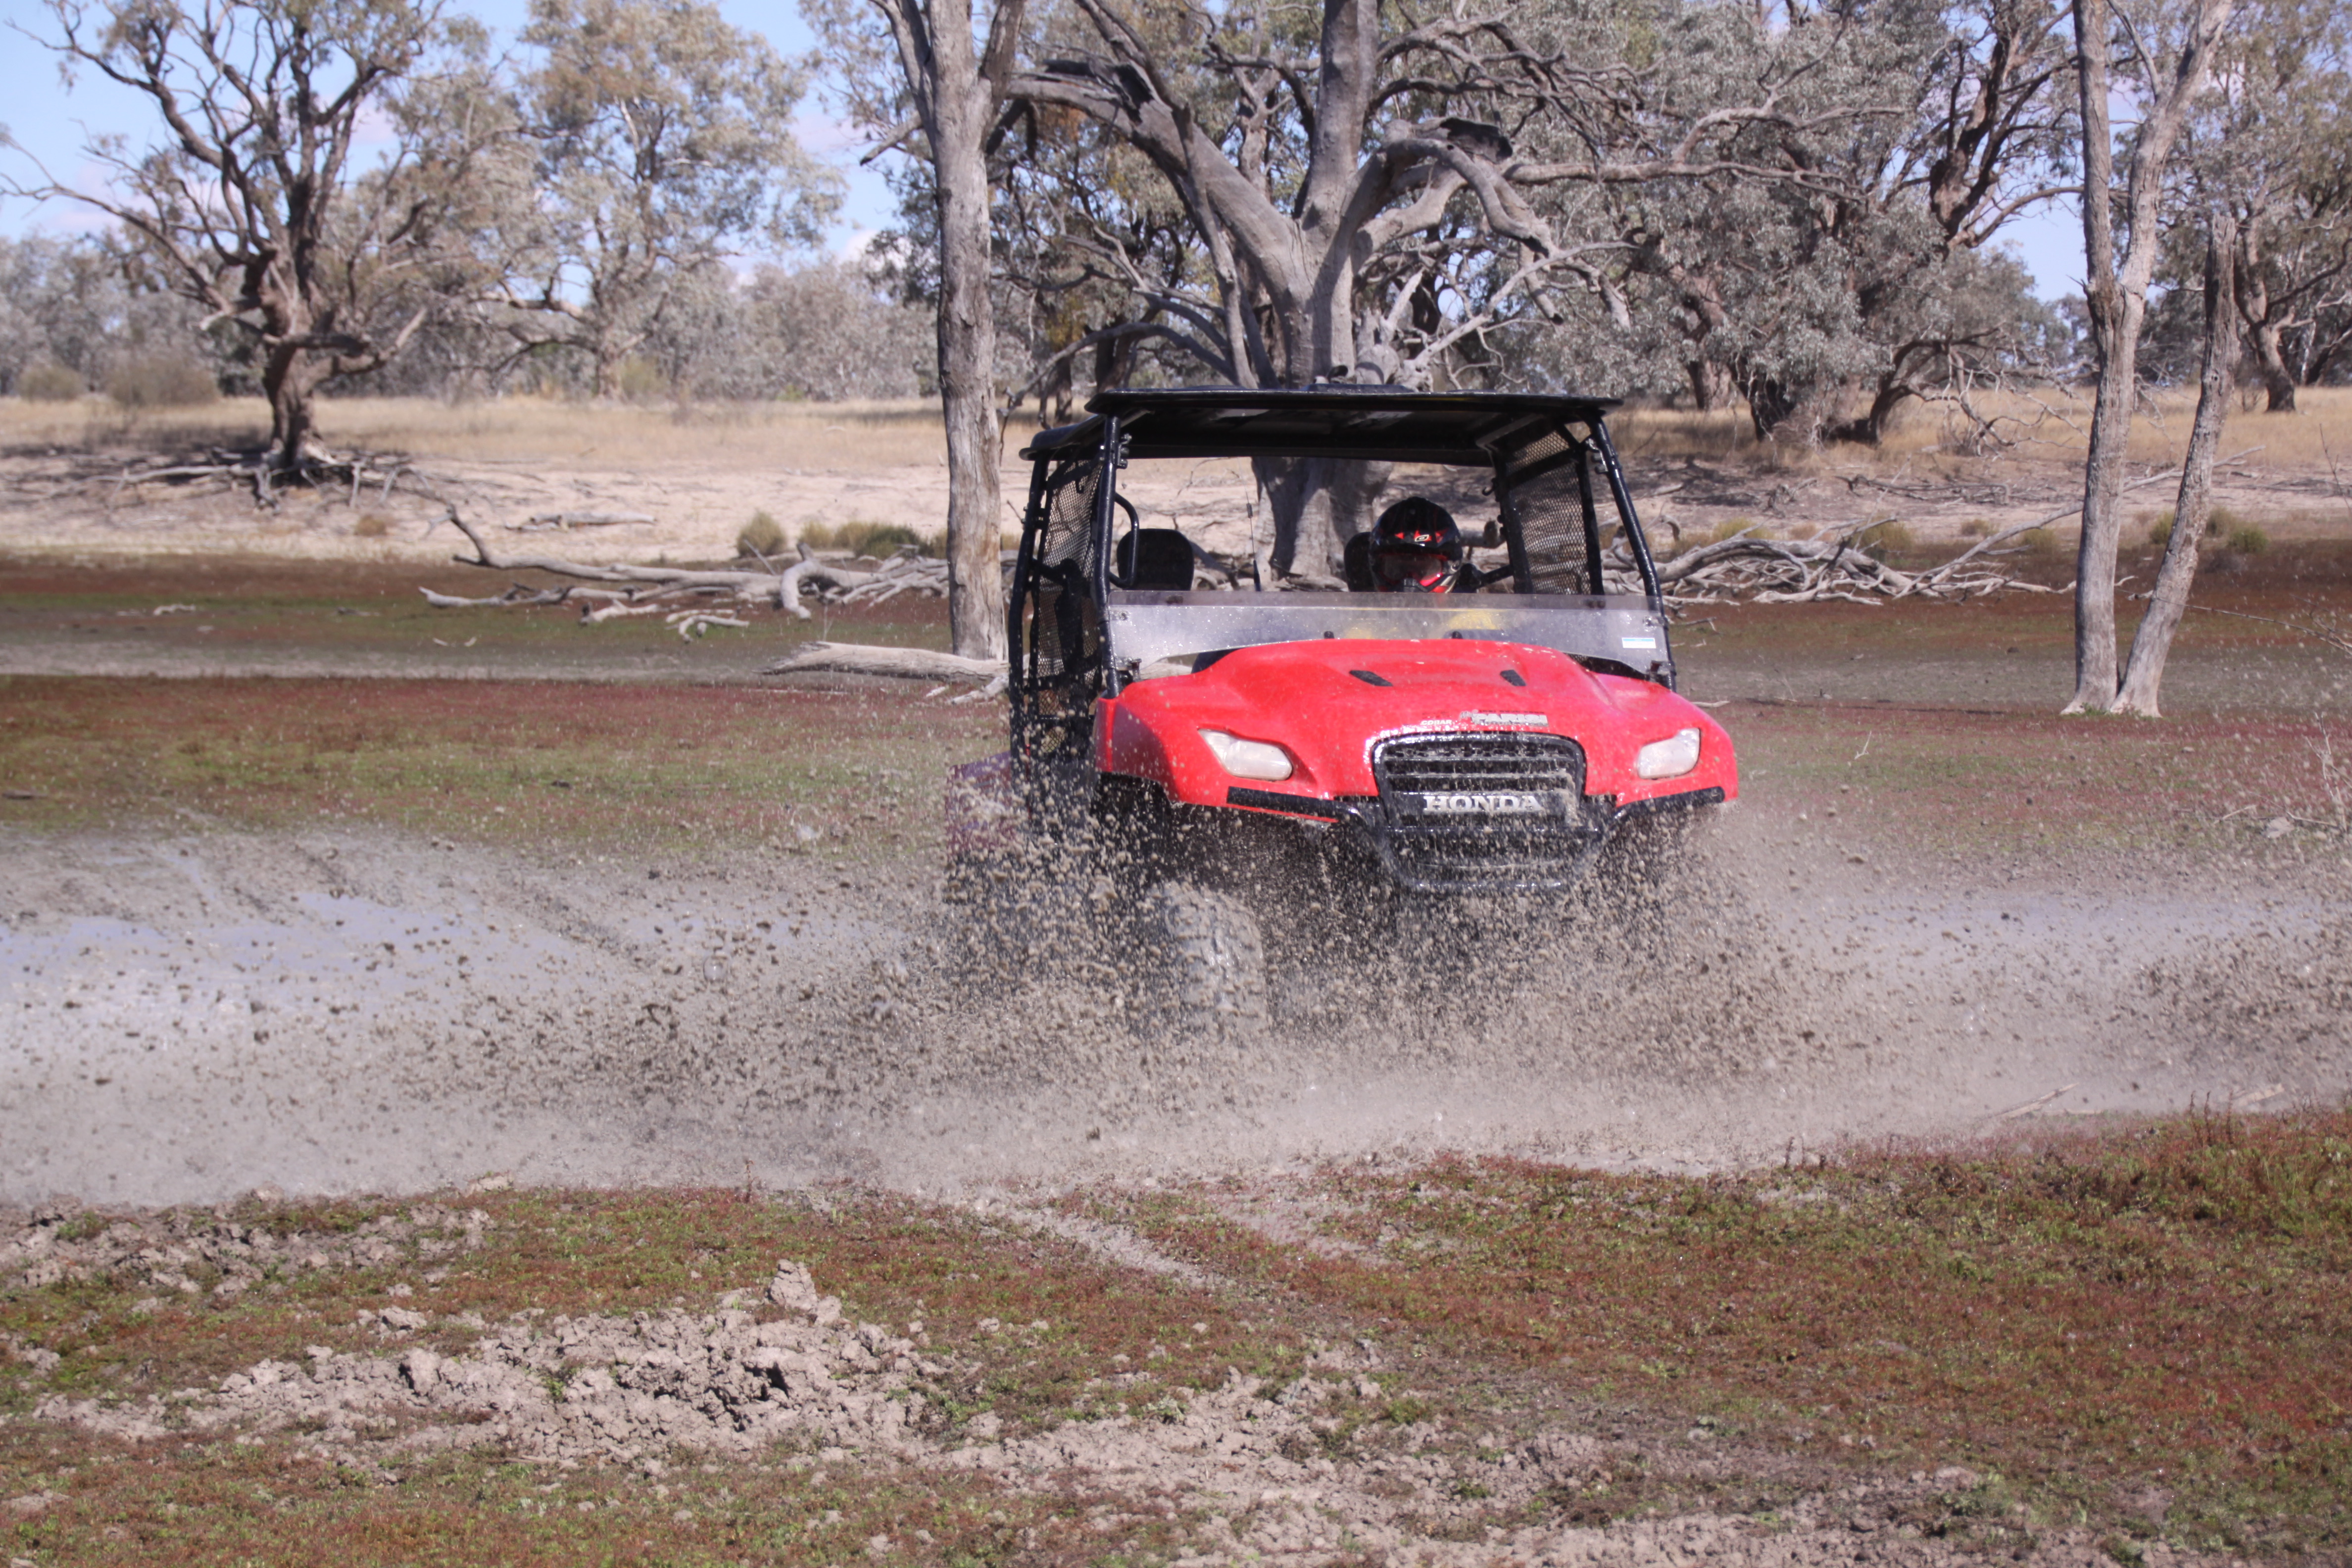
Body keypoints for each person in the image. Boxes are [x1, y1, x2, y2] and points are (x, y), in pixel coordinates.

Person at [1348, 496, 1464, 592]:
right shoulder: (1363, 619)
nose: (1409, 584)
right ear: (1376, 566)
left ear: (1451, 567)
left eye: (1422, 571)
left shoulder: (1471, 619)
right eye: (1397, 570)